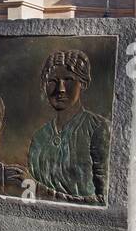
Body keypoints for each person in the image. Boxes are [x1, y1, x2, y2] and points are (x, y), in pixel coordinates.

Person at [25, 45, 106, 202]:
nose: (60, 89)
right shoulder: (40, 137)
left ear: (83, 83)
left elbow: (104, 198)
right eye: (52, 81)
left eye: (68, 80)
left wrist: (44, 191)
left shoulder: (98, 128)